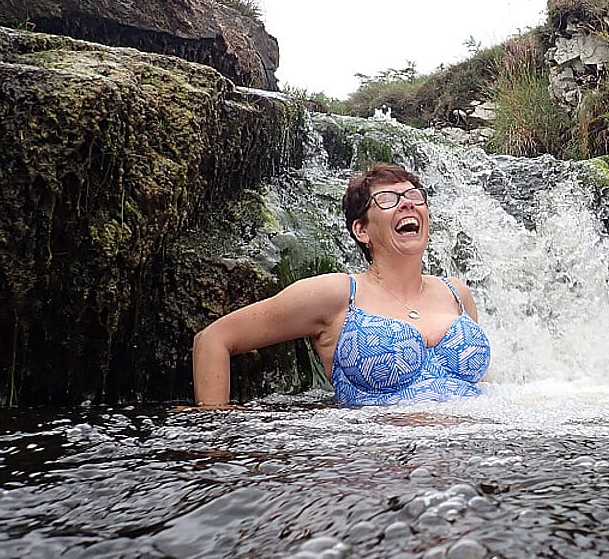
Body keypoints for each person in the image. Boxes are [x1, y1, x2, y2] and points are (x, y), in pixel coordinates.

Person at [192, 162, 491, 406]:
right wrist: (218, 443)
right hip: (384, 469)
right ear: (361, 230)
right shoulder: (336, 294)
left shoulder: (456, 292)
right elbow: (213, 340)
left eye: (414, 196)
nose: (407, 205)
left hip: (465, 460)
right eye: (388, 200)